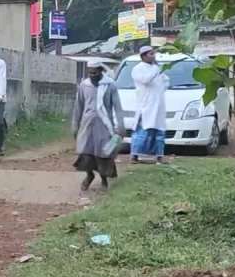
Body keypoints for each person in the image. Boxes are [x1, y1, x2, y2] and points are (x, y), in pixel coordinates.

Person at [72, 60, 125, 193]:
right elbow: (78, 107)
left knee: (104, 154)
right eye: (90, 73)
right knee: (86, 152)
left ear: (101, 71)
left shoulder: (110, 85)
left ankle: (104, 180)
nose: (92, 75)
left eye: (95, 73)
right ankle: (89, 175)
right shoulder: (84, 86)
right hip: (87, 124)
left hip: (104, 125)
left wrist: (121, 126)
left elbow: (117, 107)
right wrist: (75, 126)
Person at [130, 45, 169, 164]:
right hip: (145, 104)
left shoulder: (157, 68)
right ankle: (135, 156)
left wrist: (161, 77)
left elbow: (166, 81)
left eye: (154, 53)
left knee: (159, 130)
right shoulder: (138, 69)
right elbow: (145, 80)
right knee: (142, 130)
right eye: (151, 54)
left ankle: (159, 156)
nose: (154, 56)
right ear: (143, 56)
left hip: (158, 104)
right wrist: (156, 71)